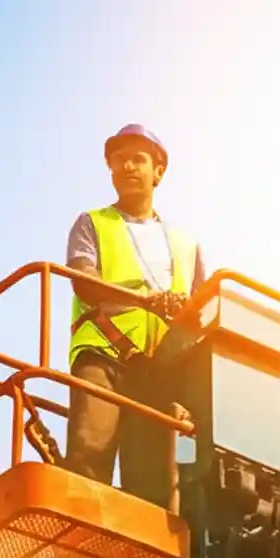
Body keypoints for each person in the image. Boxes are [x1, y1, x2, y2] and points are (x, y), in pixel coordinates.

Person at [60, 124, 205, 512]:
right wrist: (145, 301)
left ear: (158, 171)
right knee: (91, 448)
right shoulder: (92, 224)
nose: (127, 166)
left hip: (159, 370)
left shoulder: (186, 244)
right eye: (119, 160)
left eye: (137, 159)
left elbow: (202, 310)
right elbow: (82, 281)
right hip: (103, 355)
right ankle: (82, 532)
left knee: (155, 483)